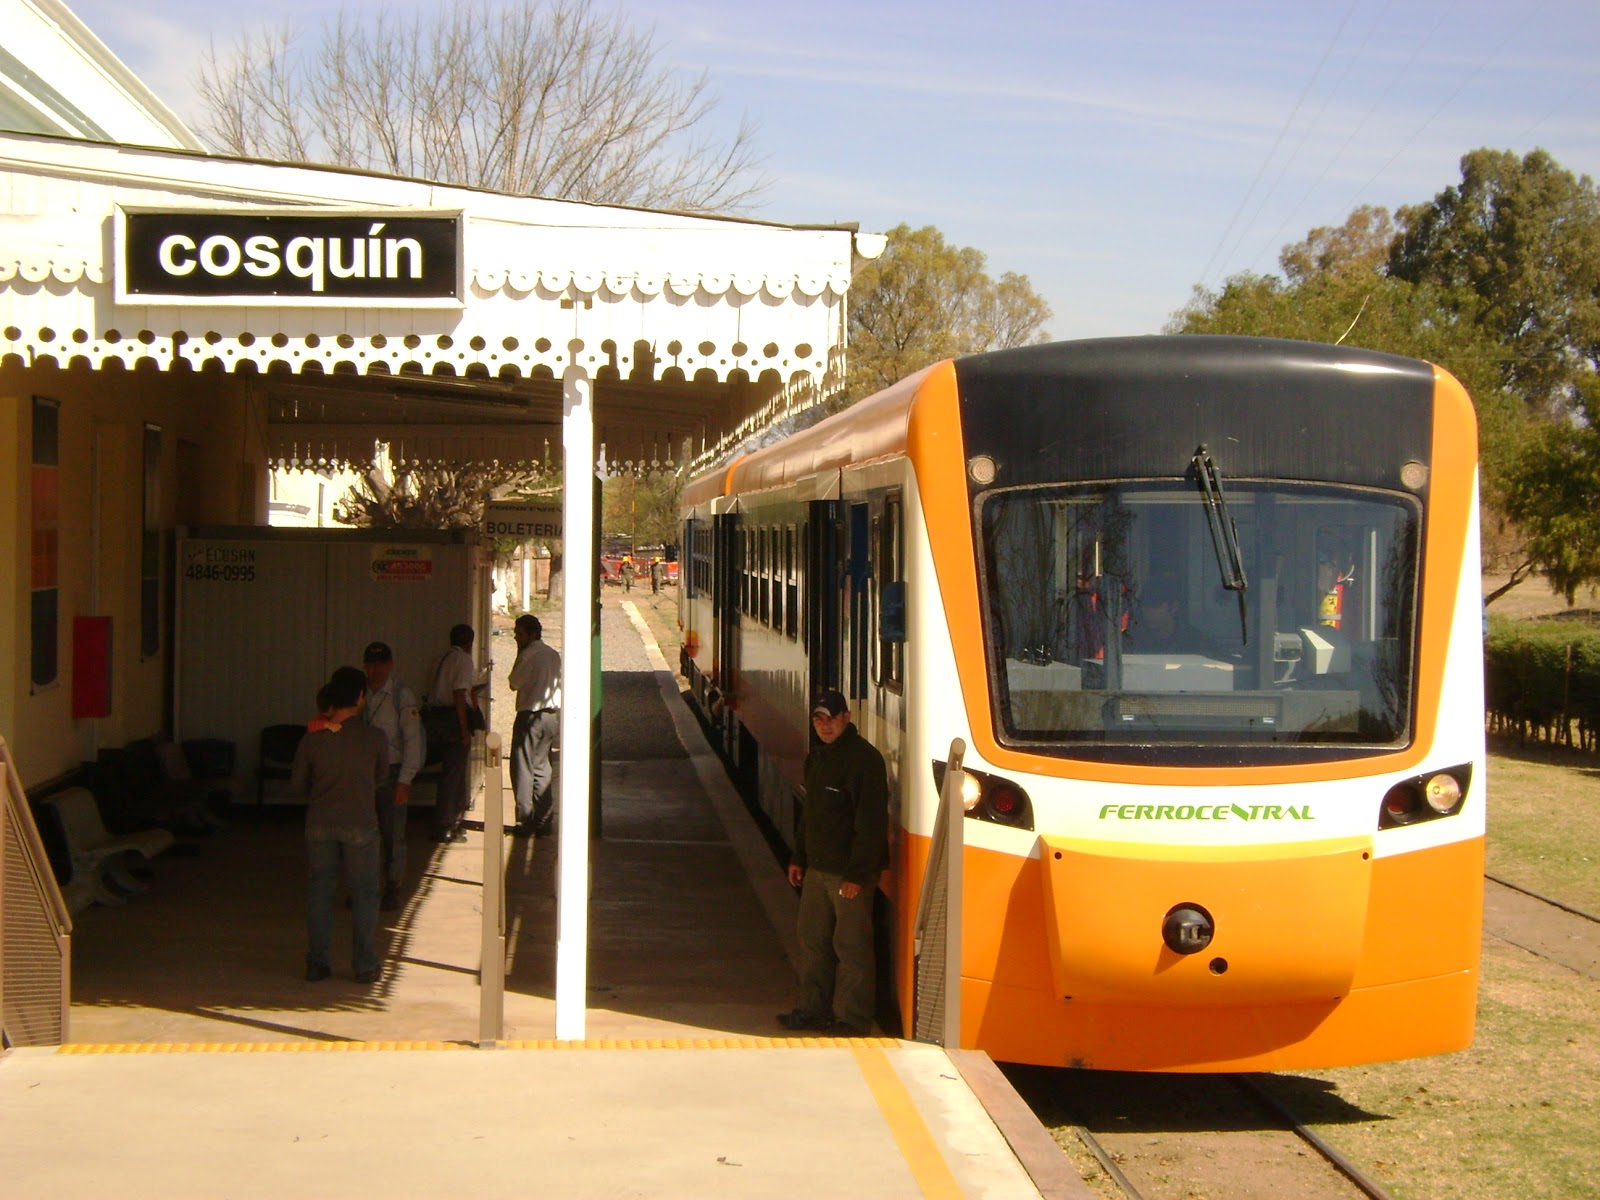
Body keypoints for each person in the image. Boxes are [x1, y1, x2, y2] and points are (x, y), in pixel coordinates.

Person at [777, 688, 889, 1037]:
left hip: (848, 875)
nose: (825, 727)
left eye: (831, 719)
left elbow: (870, 824)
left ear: (847, 719)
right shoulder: (819, 758)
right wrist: (798, 857)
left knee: (851, 947)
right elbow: (810, 815)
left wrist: (857, 875)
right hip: (818, 869)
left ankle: (856, 1020)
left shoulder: (865, 761)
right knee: (812, 939)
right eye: (818, 720)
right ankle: (814, 1009)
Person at [290, 666, 389, 984]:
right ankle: (364, 964)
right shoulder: (374, 738)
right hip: (360, 822)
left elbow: (297, 783)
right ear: (360, 697)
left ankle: (317, 963)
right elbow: (382, 778)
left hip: (320, 821)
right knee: (364, 894)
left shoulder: (313, 737)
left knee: (320, 892)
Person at [362, 641, 424, 909]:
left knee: (393, 835)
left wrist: (405, 780)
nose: (375, 669)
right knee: (363, 834)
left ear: (390, 665)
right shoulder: (359, 692)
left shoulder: (402, 695)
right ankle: (365, 886)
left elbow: (413, 741)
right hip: (363, 773)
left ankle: (392, 888)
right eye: (370, 664)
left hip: (392, 771)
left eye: (380, 664)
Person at [507, 614, 561, 837]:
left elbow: (514, 682)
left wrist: (519, 655)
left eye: (519, 634)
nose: (516, 638)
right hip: (551, 715)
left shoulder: (528, 655)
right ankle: (544, 818)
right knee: (542, 766)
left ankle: (525, 819)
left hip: (530, 715)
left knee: (523, 766)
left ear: (531, 634)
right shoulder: (553, 655)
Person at [427, 623, 481, 844]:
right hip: (452, 720)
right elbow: (459, 695)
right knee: (454, 775)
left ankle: (449, 822)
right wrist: (464, 729)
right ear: (470, 642)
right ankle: (447, 824)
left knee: (448, 774)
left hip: (437, 718)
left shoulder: (442, 659)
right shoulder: (463, 661)